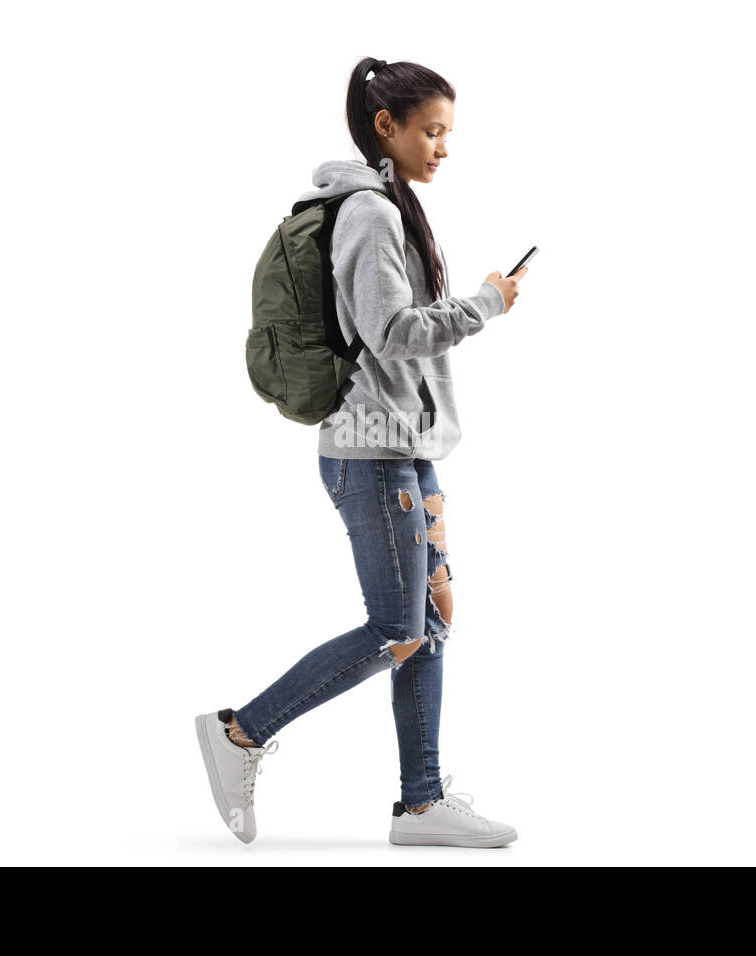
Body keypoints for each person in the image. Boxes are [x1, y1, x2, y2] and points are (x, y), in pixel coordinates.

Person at [195, 56, 528, 848]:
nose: (443, 147)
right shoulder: (371, 213)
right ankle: (239, 732)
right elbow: (393, 332)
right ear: (388, 127)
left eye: (448, 133)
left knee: (430, 621)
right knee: (395, 626)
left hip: (403, 449)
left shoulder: (391, 206)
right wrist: (487, 302)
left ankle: (421, 803)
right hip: (370, 452)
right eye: (432, 131)